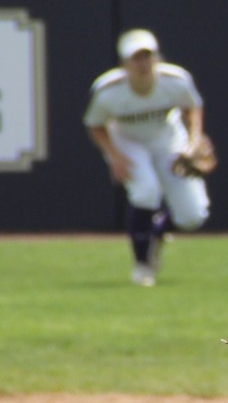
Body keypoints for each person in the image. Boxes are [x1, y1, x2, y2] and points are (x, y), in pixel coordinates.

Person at [83, 28, 211, 287]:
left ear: (157, 57)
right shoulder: (108, 89)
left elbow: (192, 106)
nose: (143, 64)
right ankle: (143, 266)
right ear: (124, 63)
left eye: (148, 56)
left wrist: (194, 139)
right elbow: (95, 125)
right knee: (145, 192)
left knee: (192, 216)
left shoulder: (175, 80)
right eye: (136, 58)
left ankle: (157, 228)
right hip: (128, 141)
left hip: (167, 138)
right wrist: (114, 155)